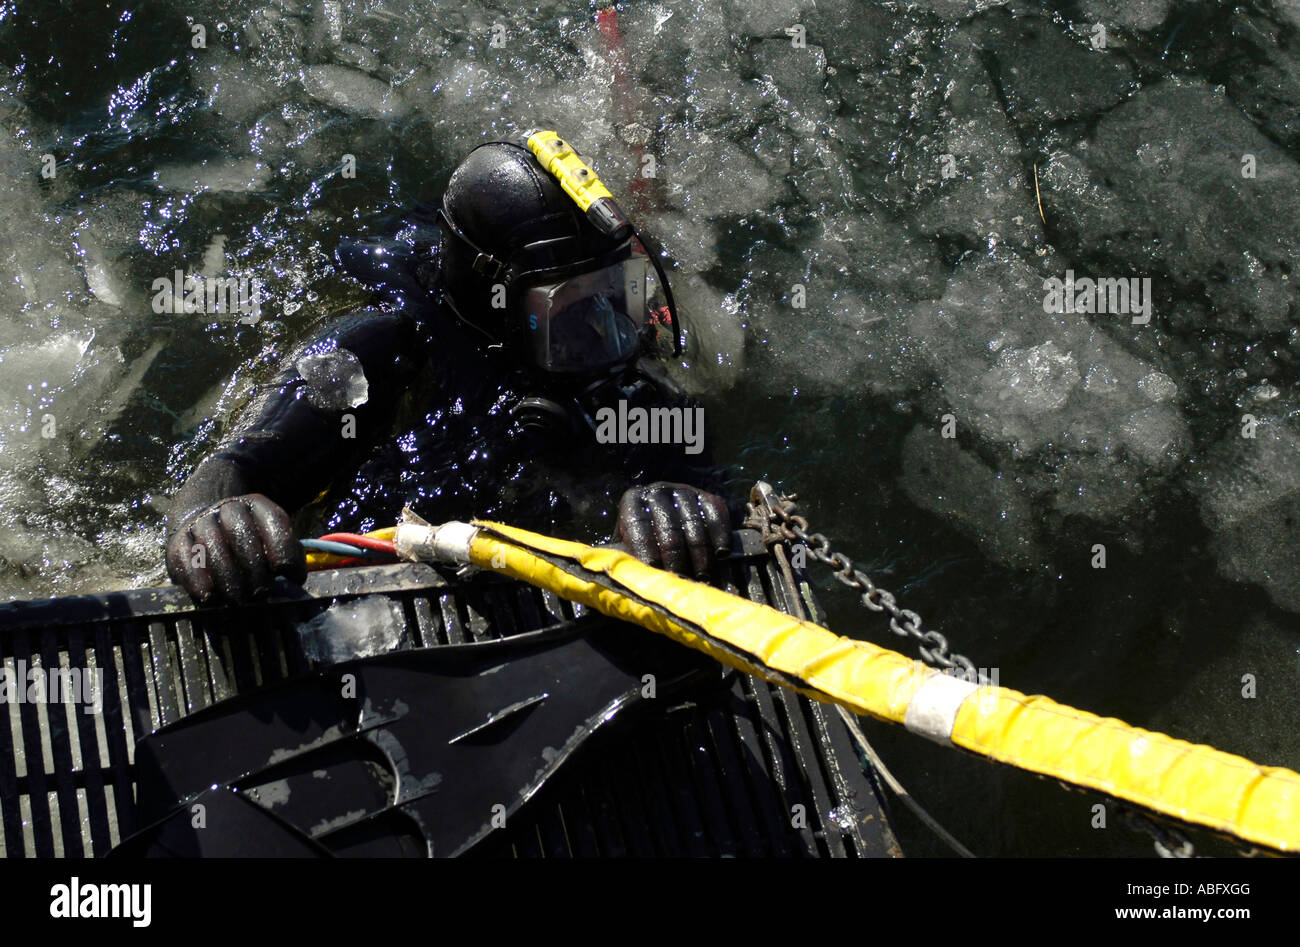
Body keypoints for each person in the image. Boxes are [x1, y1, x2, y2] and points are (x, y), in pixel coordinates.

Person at [164, 137, 734, 603]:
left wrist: (675, 497)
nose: (604, 334)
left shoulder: (613, 353)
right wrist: (210, 516)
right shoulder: (374, 349)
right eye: (568, 311)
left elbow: (691, 465)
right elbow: (239, 464)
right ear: (498, 306)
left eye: (618, 296)